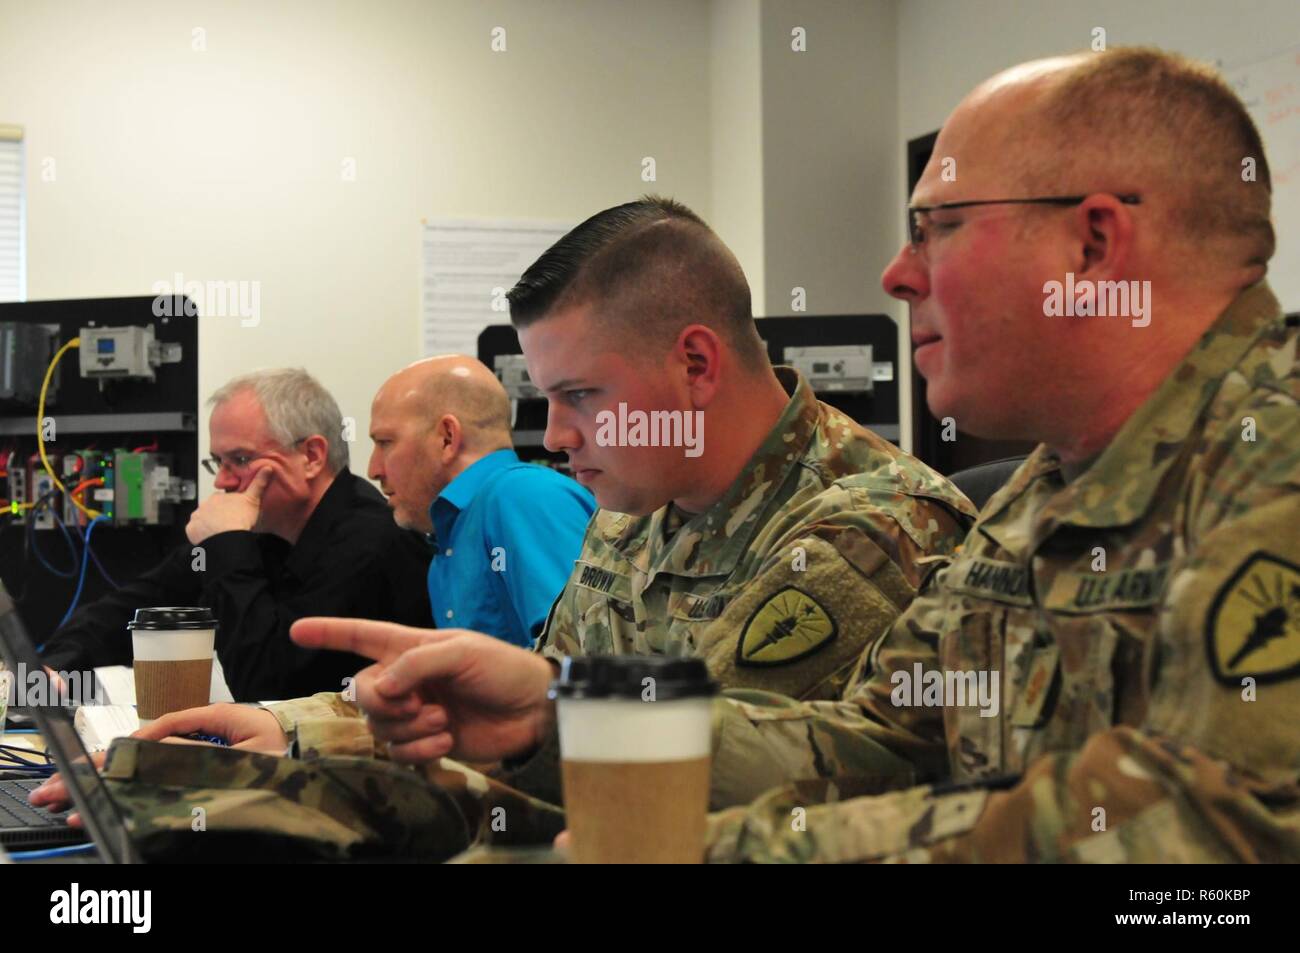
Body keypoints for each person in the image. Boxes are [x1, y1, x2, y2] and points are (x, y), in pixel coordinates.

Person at [129, 46, 1298, 863]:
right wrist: (556, 714)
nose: (896, 274)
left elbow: (1215, 840)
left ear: (1095, 244)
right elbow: (887, 743)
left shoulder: (1270, 459)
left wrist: (697, 849)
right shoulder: (1043, 498)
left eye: (934, 225)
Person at [33, 198, 974, 816]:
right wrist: (289, 729)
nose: (554, 438)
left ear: (694, 363)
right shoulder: (635, 505)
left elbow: (629, 780)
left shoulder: (861, 529)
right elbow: (520, 699)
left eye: (582, 397)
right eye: (547, 401)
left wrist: (244, 793)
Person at [39, 368, 432, 701]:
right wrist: (55, 669)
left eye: (241, 460)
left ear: (311, 456)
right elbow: (136, 608)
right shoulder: (264, 528)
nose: (225, 481)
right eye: (219, 462)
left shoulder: (371, 541)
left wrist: (227, 544)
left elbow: (268, 685)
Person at [368, 355, 595, 648]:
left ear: (447, 438)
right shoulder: (450, 538)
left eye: (385, 442)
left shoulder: (522, 495)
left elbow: (578, 659)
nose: (373, 469)